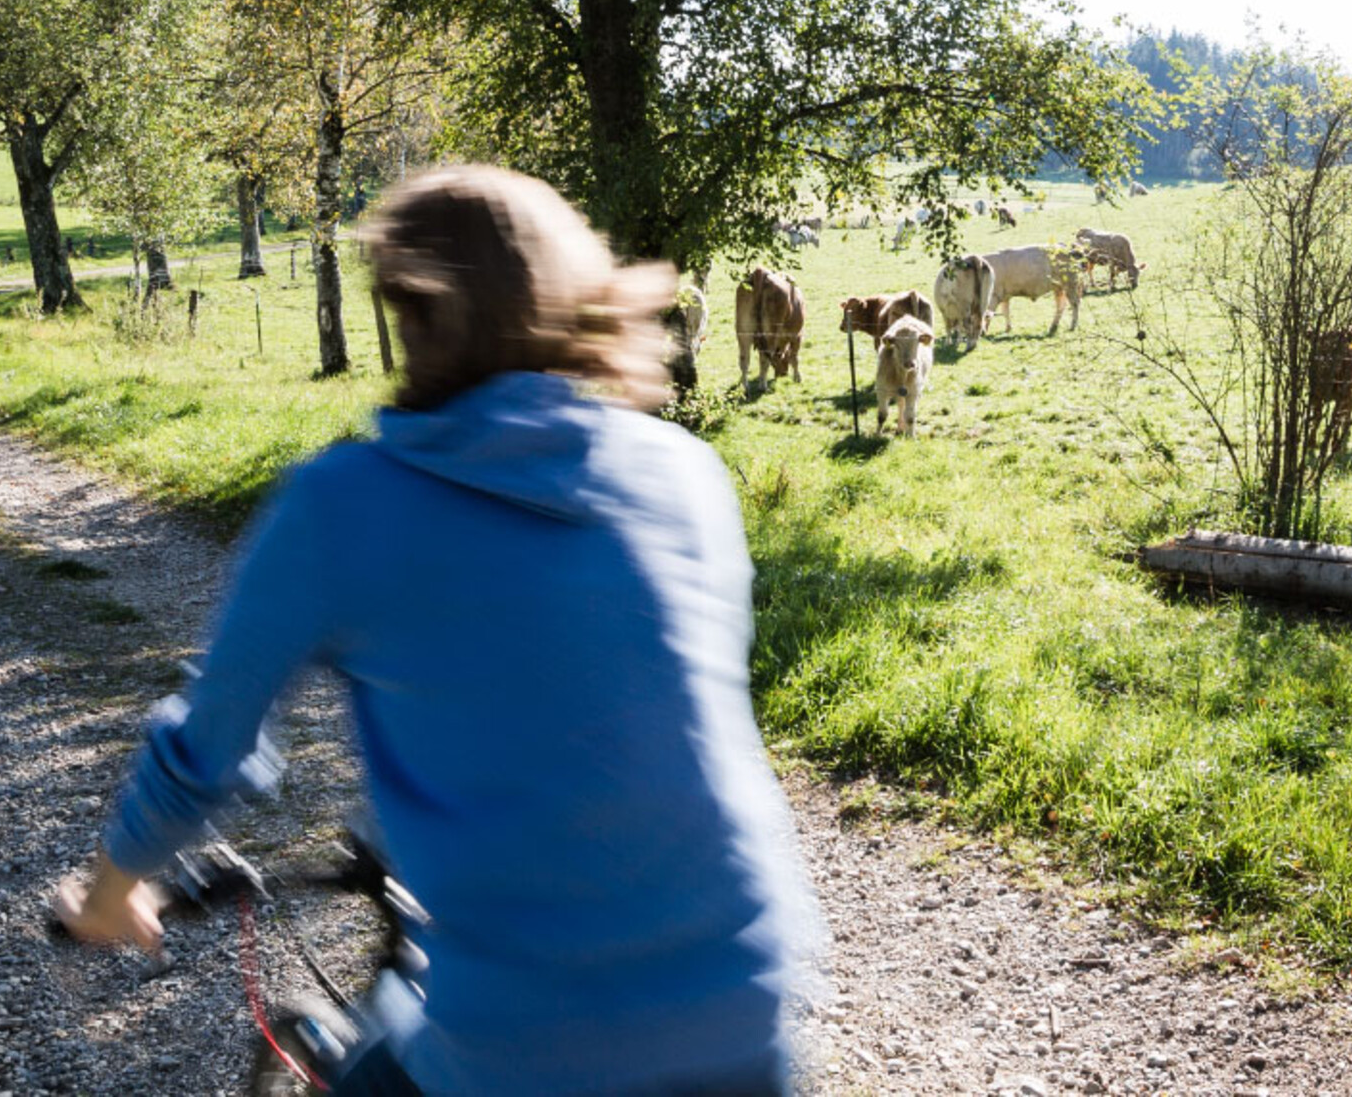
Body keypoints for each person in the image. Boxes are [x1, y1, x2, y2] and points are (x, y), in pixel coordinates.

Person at [51, 164, 822, 1095]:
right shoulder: (685, 472)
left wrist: (107, 892)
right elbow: (615, 699)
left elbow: (203, 751)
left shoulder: (341, 506)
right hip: (748, 1008)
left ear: (406, 316)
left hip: (526, 1048)